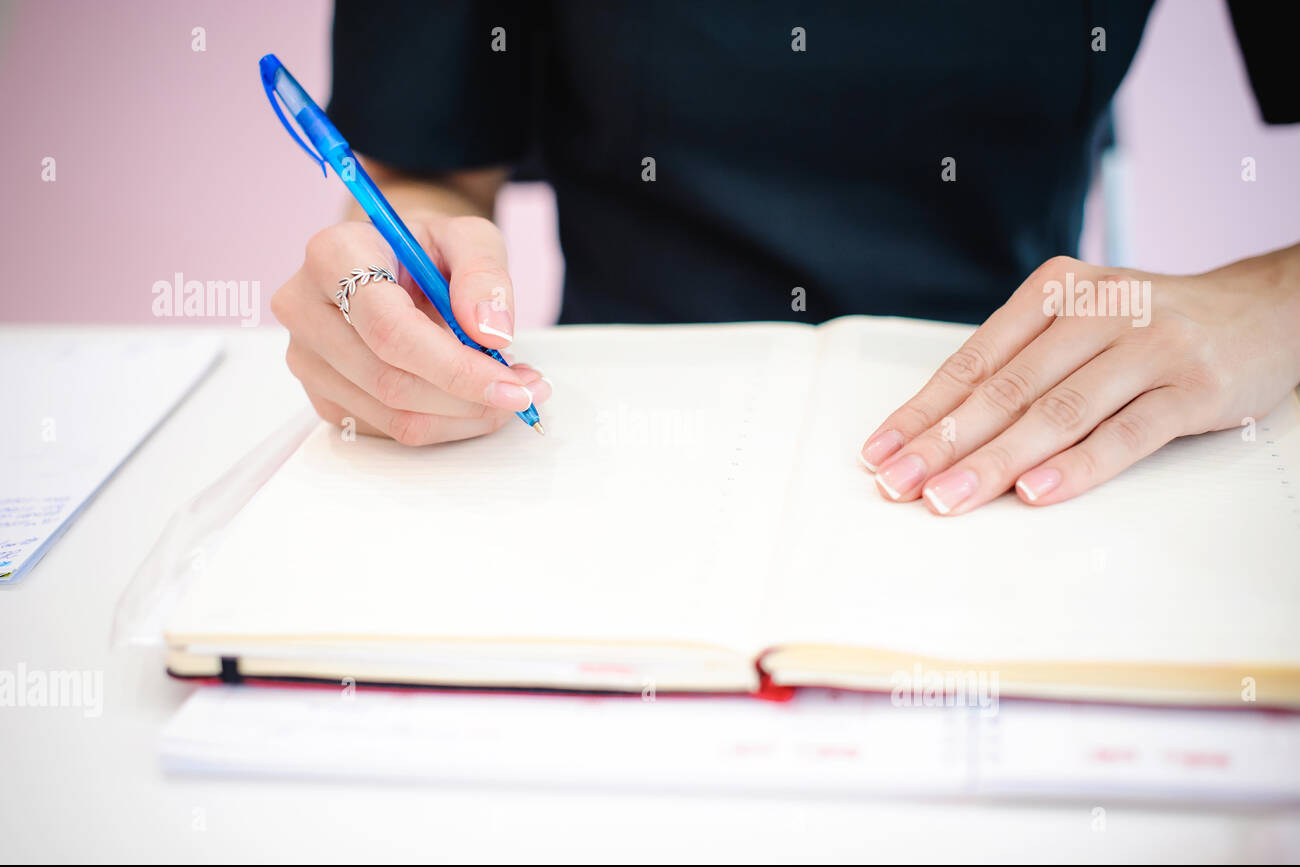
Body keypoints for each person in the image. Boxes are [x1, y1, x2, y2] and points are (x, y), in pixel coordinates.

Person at [271, 1, 1299, 516]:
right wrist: (389, 278)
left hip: (1031, 447)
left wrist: (1277, 297)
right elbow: (428, 173)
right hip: (612, 442)